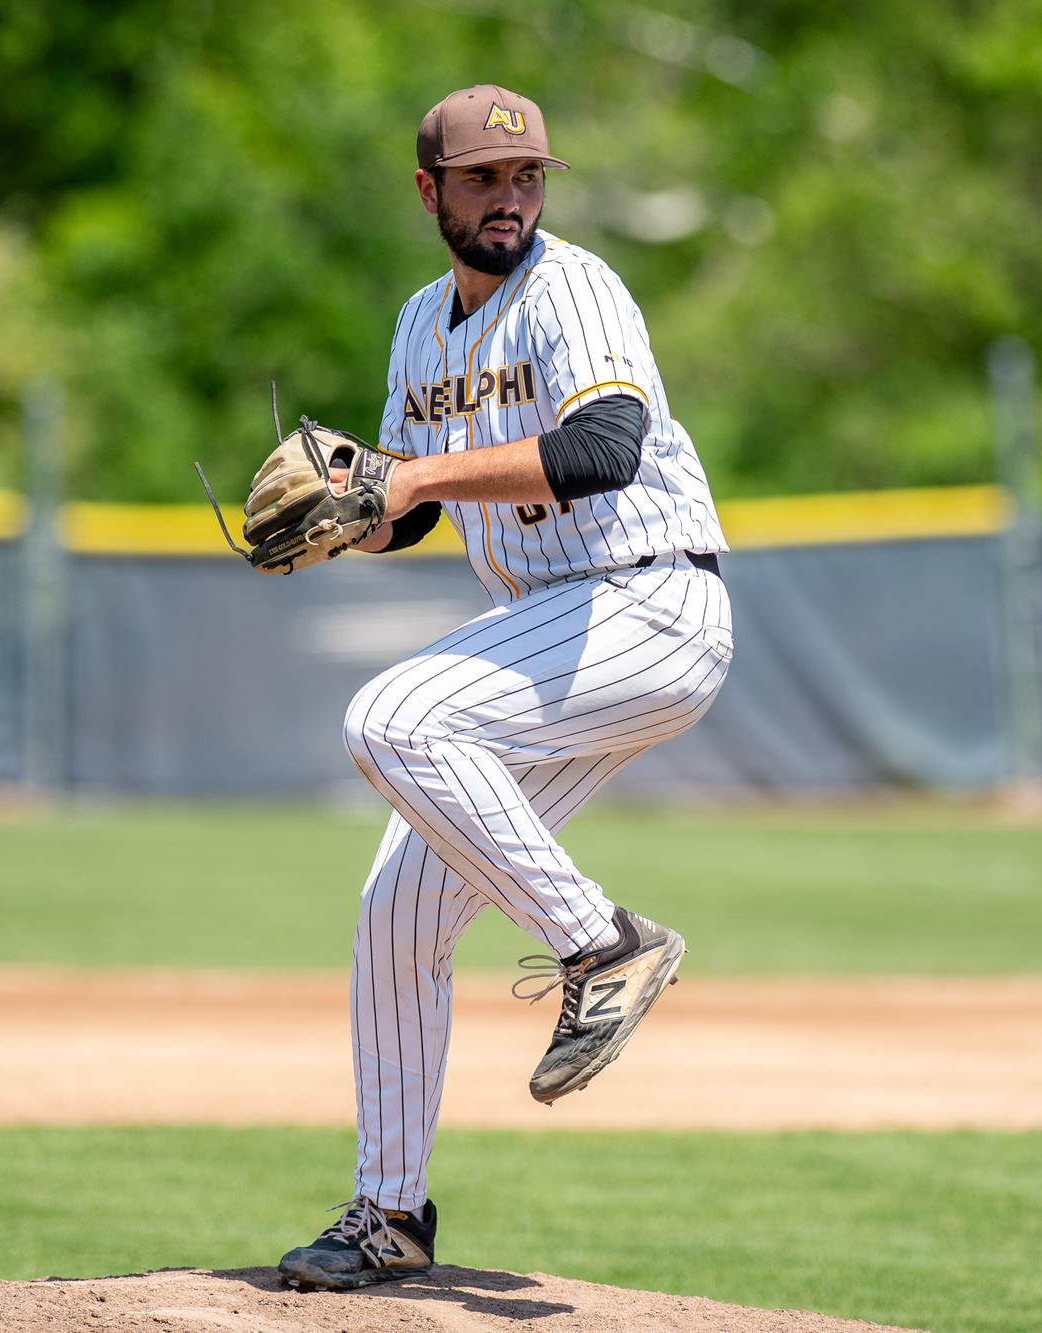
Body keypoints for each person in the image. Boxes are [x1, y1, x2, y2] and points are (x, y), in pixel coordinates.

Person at [274, 84, 734, 1292]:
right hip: (548, 628)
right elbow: (414, 516)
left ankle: (602, 946)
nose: (510, 201)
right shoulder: (421, 326)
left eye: (526, 177)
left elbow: (600, 452)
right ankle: (388, 1212)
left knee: (388, 717)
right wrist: (352, 519)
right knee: (397, 918)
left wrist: (409, 474)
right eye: (482, 181)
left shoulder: (572, 288)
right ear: (429, 191)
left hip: (646, 604)